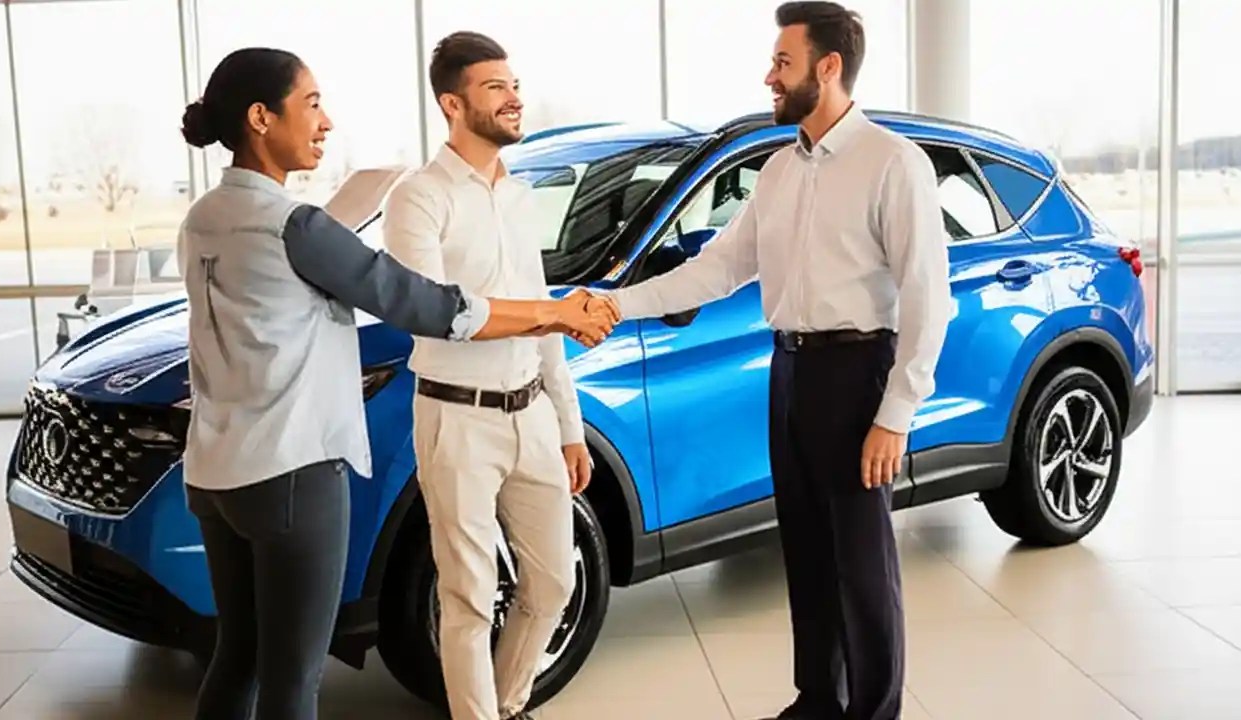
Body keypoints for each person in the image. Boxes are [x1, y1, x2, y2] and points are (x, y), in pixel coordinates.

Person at [175, 47, 617, 720]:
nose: (325, 122)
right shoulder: (297, 224)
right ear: (261, 117)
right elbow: (424, 305)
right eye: (312, 103)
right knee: (293, 680)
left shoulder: (203, 217)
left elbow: (275, 303)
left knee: (238, 657)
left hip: (215, 469)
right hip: (292, 468)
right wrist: (556, 312)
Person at [601, 3, 951, 719]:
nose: (769, 76)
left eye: (782, 62)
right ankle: (818, 698)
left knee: (861, 562)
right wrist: (613, 304)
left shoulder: (892, 162)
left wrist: (896, 414)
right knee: (807, 547)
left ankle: (874, 710)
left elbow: (926, 299)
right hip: (789, 371)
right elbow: (717, 269)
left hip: (858, 375)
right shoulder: (778, 171)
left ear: (829, 67)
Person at [380, 31, 598, 720]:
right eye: (495, 87)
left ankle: (504, 707)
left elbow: (547, 331)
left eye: (514, 84)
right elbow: (439, 315)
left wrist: (568, 427)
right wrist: (552, 314)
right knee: (468, 594)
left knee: (554, 584)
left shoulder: (516, 193)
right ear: (452, 103)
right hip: (456, 418)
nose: (514, 97)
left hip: (531, 413)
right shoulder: (416, 198)